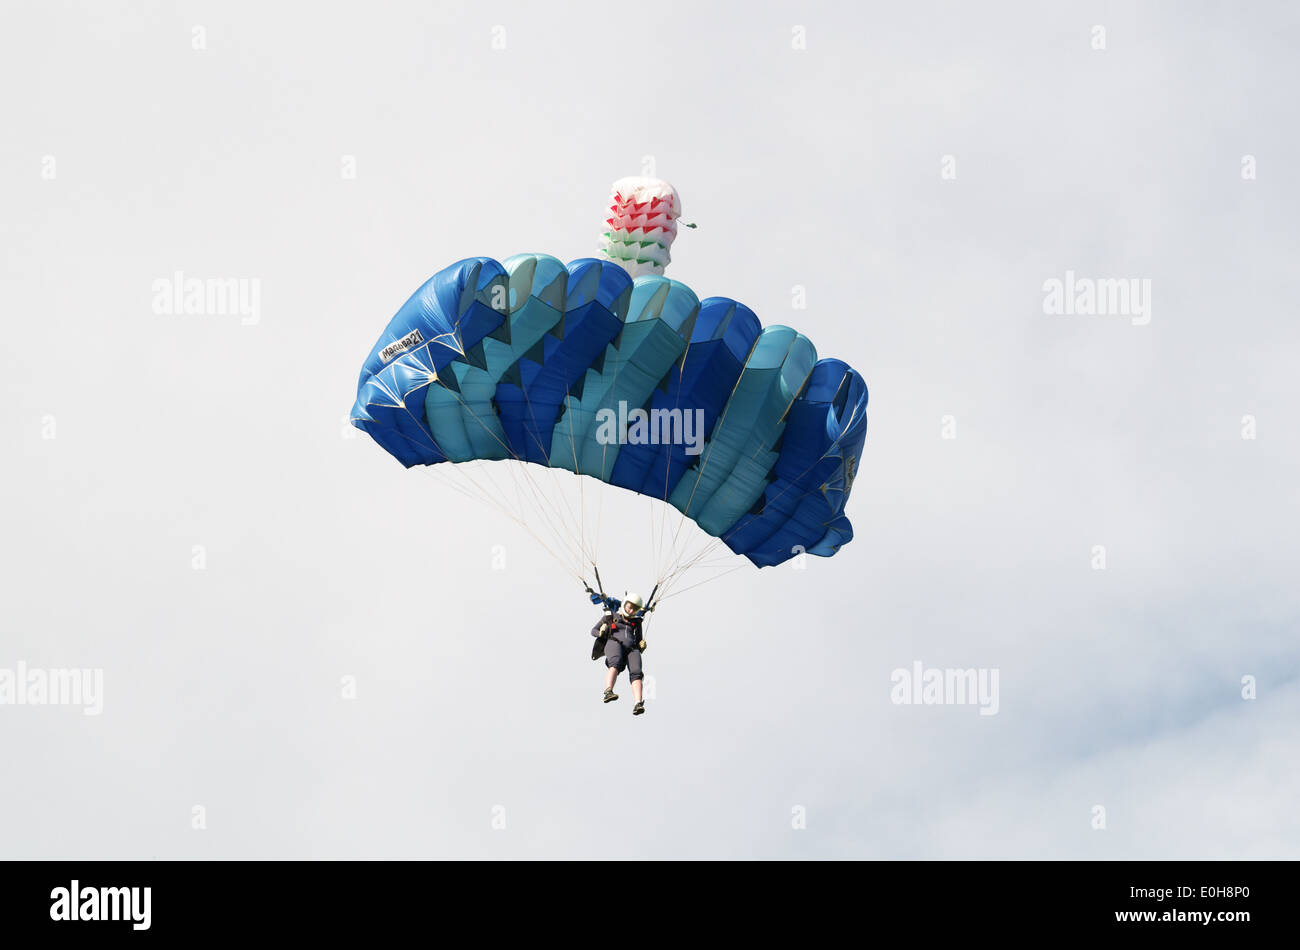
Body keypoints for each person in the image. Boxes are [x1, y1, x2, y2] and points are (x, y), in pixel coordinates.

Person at [589, 591, 648, 715]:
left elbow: (638, 640)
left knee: (637, 672)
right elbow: (593, 630)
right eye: (629, 606)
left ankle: (638, 703)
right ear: (624, 604)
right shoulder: (611, 616)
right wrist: (601, 632)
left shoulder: (637, 622)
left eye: (635, 609)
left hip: (632, 649)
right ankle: (608, 691)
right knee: (615, 662)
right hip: (614, 643)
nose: (631, 610)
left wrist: (641, 646)